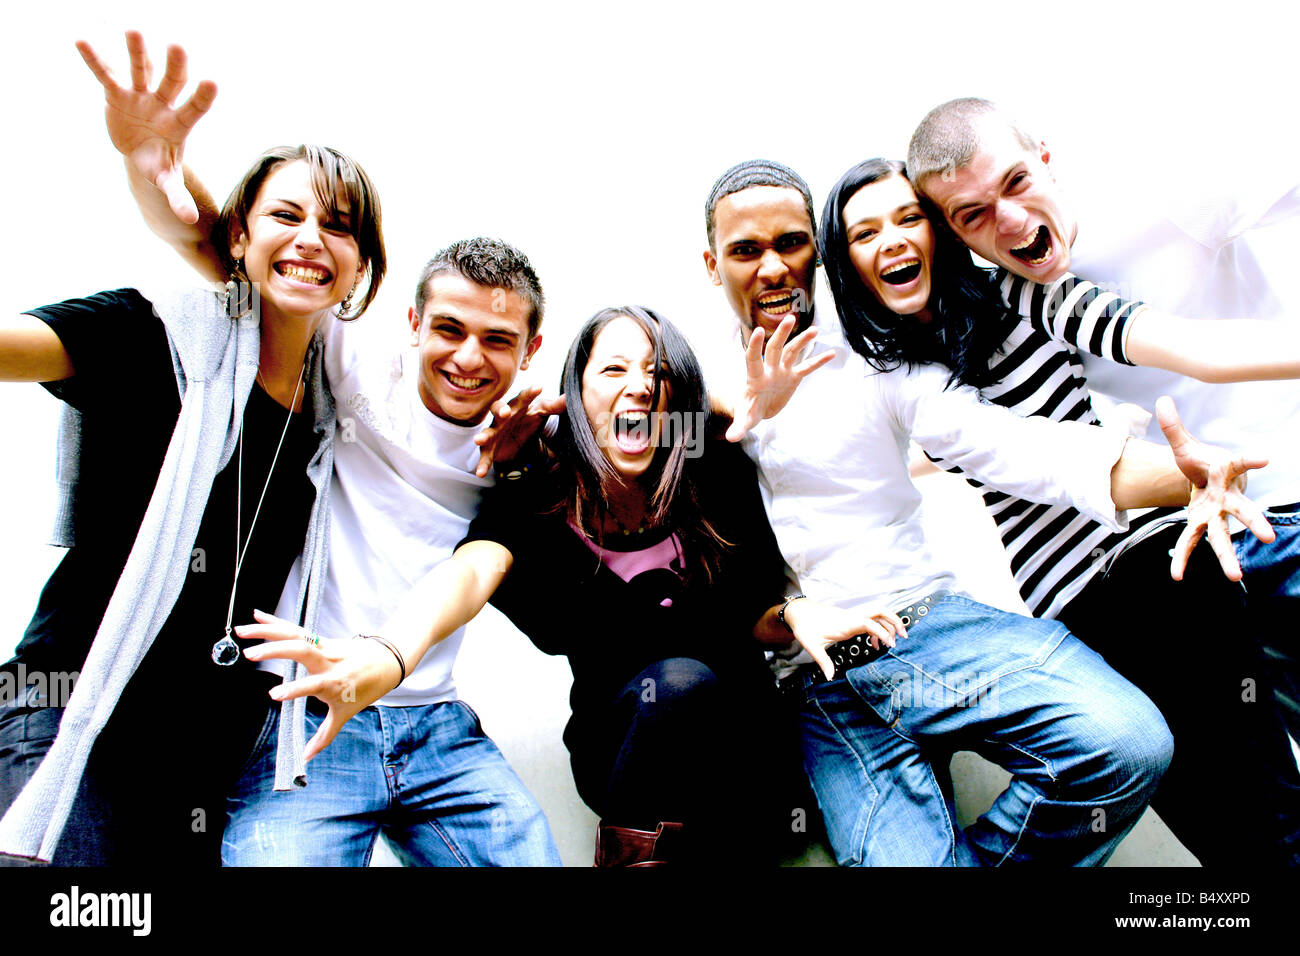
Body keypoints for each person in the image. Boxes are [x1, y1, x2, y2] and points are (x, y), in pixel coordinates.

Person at [700, 158, 1273, 866]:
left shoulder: (877, 362)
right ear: (711, 263)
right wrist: (727, 410)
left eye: (791, 244)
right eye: (746, 251)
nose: (773, 267)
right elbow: (609, 429)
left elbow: (1021, 450)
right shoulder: (690, 388)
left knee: (1128, 742)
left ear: (818, 252)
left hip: (926, 629)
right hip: (824, 683)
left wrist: (1180, 478)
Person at [89, 35, 562, 866]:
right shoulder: (350, 362)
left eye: (496, 340)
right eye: (447, 329)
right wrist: (155, 171)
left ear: (529, 348)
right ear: (412, 324)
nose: (467, 358)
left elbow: (652, 396)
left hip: (439, 726)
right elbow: (231, 251)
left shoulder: (533, 441)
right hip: (303, 716)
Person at [239, 306, 842, 865]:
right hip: (626, 749)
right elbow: (475, 568)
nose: (638, 385)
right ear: (575, 395)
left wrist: (796, 613)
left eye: (658, 373)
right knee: (680, 684)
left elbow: (757, 607)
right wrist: (390, 651)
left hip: (745, 749)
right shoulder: (540, 499)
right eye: (613, 369)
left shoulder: (713, 470)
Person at [0, 35, 386, 866]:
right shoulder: (160, 337)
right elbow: (14, 345)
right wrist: (151, 177)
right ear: (239, 240)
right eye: (287, 215)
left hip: (196, 752)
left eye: (339, 226)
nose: (313, 238)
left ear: (360, 269)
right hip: (70, 706)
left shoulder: (336, 405)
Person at [909, 98, 1300, 761]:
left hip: (1283, 511)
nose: (1009, 220)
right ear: (955, 235)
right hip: (1212, 553)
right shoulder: (1021, 304)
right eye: (973, 214)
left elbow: (1201, 352)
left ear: (1046, 160)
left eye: (1016, 182)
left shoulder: (1162, 195)